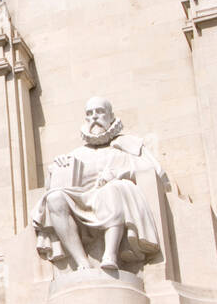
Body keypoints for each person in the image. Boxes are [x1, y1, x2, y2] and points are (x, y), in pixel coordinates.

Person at [31, 96, 163, 272]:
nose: (94, 117)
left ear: (110, 116)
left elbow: (154, 171)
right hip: (83, 199)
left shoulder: (126, 146)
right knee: (54, 198)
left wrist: (118, 173)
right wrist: (54, 169)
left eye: (100, 112)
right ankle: (82, 262)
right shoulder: (76, 154)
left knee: (114, 189)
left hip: (111, 196)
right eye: (90, 113)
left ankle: (111, 255)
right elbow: (51, 186)